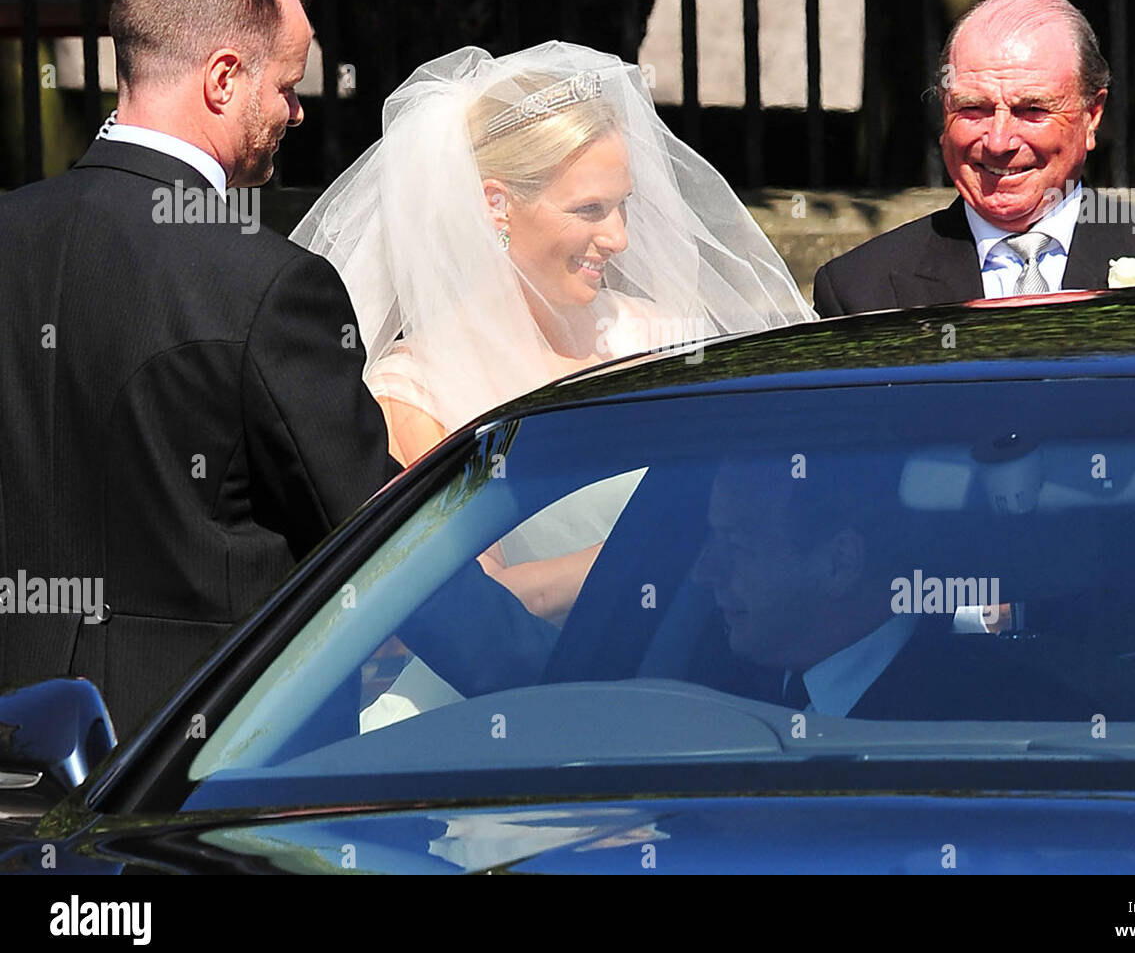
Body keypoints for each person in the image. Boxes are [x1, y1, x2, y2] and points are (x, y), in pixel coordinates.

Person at [0, 0, 399, 735]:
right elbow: (381, 537)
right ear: (223, 78)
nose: (296, 109)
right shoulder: (272, 285)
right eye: (287, 85)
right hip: (191, 756)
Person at [293, 42, 815, 622]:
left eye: (624, 207)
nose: (618, 237)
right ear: (496, 205)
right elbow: (467, 607)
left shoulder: (652, 337)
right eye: (590, 210)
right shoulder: (417, 392)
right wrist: (656, 548)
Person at [813, 0, 1135, 316]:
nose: (999, 141)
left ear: (1092, 115)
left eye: (1032, 110)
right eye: (974, 108)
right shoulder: (860, 291)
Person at [690, 455, 1135, 720]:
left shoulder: (1010, 719)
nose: (703, 572)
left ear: (840, 562)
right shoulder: (697, 699)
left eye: (735, 543)